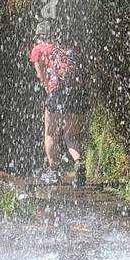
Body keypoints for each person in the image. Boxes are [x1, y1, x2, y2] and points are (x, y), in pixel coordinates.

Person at [29, 32, 88, 185]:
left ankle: (53, 171)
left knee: (50, 133)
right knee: (72, 136)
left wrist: (47, 88)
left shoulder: (39, 48)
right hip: (77, 94)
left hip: (57, 92)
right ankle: (79, 162)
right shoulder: (63, 48)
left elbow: (41, 74)